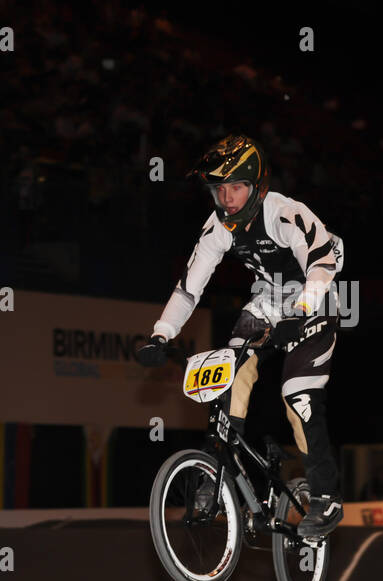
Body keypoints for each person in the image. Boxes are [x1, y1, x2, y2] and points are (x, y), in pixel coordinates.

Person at [137, 134, 346, 536]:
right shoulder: (218, 225)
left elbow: (323, 264)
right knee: (225, 375)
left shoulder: (285, 212)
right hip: (267, 301)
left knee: (298, 397)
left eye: (236, 188)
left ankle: (326, 496)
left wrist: (302, 308)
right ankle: (214, 476)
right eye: (220, 190)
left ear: (258, 186)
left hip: (316, 298)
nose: (228, 198)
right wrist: (160, 334)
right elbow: (188, 287)